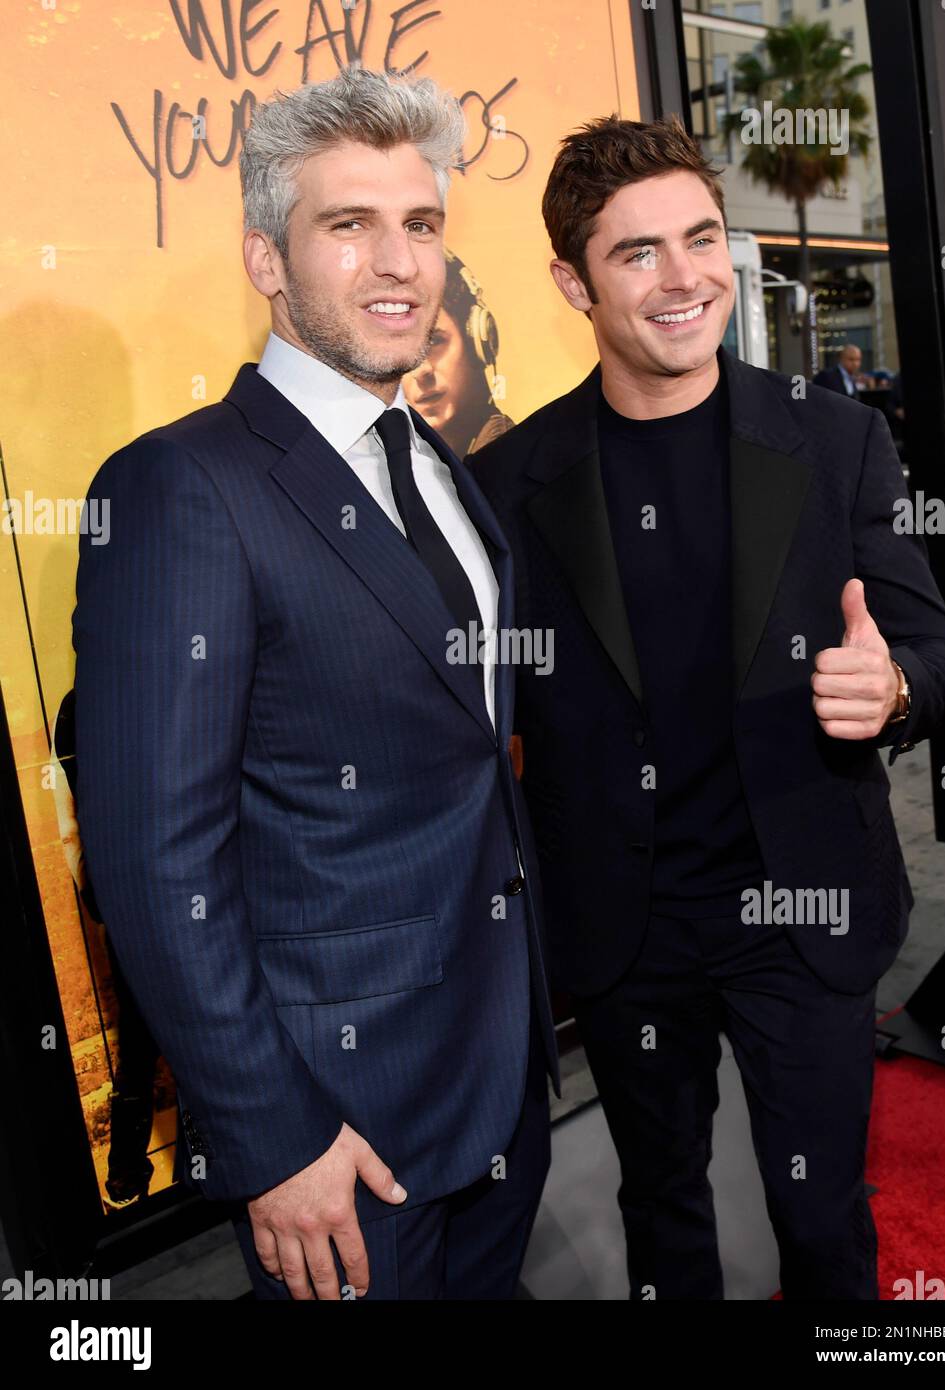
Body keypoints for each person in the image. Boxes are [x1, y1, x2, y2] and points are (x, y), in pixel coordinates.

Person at [72, 66, 558, 1302]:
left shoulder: (439, 462)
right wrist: (271, 1135)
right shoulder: (182, 488)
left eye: (422, 224)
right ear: (266, 259)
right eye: (348, 226)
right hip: (335, 1122)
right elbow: (151, 855)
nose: (399, 263)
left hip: (497, 1071)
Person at [472, 114, 945, 1300]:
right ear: (571, 281)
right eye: (636, 252)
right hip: (625, 925)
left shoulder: (830, 439)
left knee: (819, 1216)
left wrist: (891, 687)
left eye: (700, 238)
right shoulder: (508, 480)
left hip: (797, 906)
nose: (684, 276)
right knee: (662, 1208)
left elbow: (940, 653)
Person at [404, 248, 513, 456]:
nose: (421, 371)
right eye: (404, 349)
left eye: (435, 341)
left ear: (478, 343)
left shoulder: (512, 465)